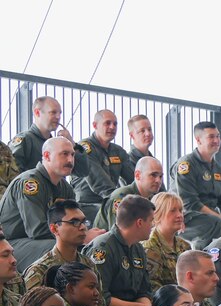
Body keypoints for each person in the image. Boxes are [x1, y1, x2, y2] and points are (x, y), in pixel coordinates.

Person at [1, 138, 98, 268]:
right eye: (64, 154)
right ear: (47, 156)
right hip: (11, 243)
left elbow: (75, 220)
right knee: (60, 247)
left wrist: (87, 234)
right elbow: (37, 230)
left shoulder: (65, 188)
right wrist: (80, 236)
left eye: (72, 155)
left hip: (37, 241)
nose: (70, 160)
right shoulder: (30, 183)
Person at [83, 193, 154, 306]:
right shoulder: (102, 249)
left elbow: (143, 290)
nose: (153, 225)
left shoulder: (138, 249)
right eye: (151, 221)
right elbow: (101, 298)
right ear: (140, 223)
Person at [171, 122, 221, 248]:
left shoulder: (219, 170)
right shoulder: (186, 165)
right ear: (198, 140)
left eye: (218, 136)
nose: (216, 140)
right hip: (187, 218)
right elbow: (190, 204)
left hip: (211, 217)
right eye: (211, 137)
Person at [24, 199, 92, 295]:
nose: (83, 227)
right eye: (74, 222)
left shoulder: (88, 264)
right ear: (55, 228)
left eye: (84, 222)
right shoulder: (40, 271)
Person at [7, 96, 90, 173]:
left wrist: (72, 145)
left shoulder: (57, 145)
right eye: (53, 112)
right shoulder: (25, 140)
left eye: (59, 113)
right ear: (37, 112)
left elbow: (83, 171)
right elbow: (12, 174)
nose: (58, 117)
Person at [70, 110, 134, 208]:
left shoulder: (118, 151)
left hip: (108, 203)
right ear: (95, 125)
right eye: (107, 123)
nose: (112, 127)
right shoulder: (85, 147)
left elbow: (133, 179)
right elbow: (99, 181)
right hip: (87, 205)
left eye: (115, 124)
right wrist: (117, 201)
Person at [94, 156, 163, 231]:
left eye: (160, 176)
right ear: (138, 175)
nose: (158, 180)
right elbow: (117, 233)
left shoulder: (153, 199)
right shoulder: (121, 197)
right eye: (153, 175)